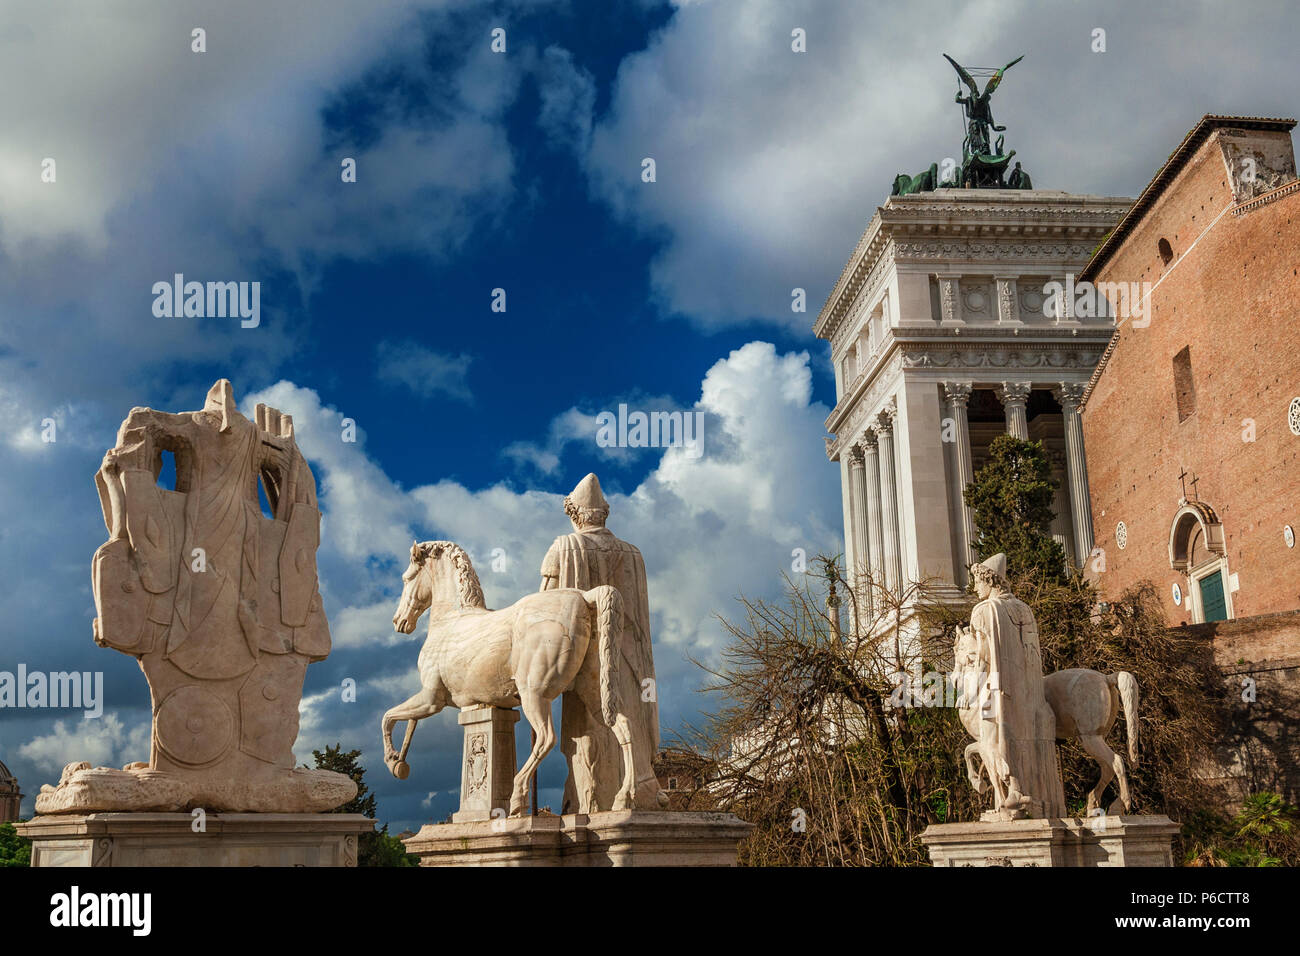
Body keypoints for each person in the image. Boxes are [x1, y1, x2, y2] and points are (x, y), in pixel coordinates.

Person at [540, 473, 665, 812]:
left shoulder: (564, 547)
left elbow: (541, 615)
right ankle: (640, 792)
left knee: (590, 739)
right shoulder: (633, 553)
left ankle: (593, 805)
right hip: (632, 660)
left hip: (585, 663)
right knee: (630, 726)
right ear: (603, 512)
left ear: (573, 513)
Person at [968, 553, 1065, 818]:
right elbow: (1033, 654)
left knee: (989, 737)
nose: (975, 587)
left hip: (992, 688)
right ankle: (1030, 795)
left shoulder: (983, 611)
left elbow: (981, 658)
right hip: (1026, 689)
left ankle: (1012, 792)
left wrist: (973, 691)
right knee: (1022, 738)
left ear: (990, 580)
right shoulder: (1024, 609)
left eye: (977, 581)